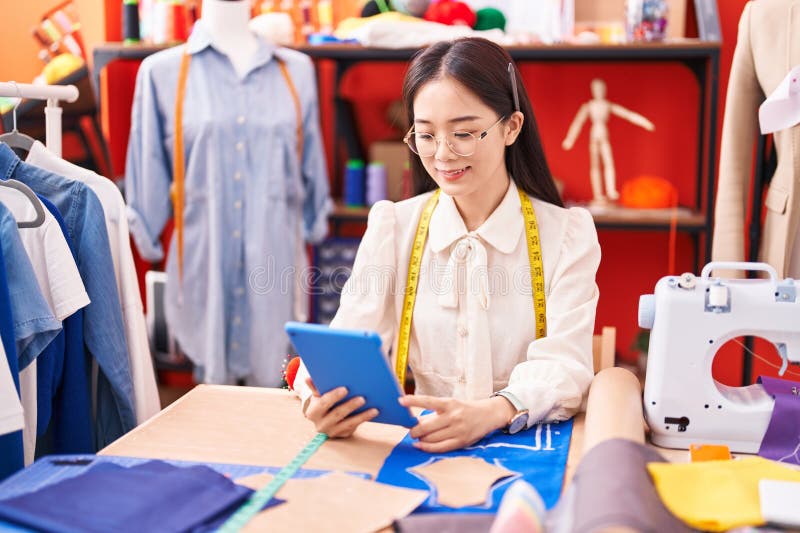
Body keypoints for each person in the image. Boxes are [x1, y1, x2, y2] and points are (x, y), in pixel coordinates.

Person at [296, 37, 600, 453]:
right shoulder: (394, 226)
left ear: (511, 127)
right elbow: (347, 342)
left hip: (524, 445)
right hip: (426, 445)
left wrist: (495, 411)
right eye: (425, 135)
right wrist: (320, 398)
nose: (442, 154)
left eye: (463, 132)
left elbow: (567, 364)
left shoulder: (567, 236)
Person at [561, 78, 655, 206]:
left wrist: (645, 122)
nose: (599, 91)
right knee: (595, 165)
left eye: (601, 89)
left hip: (603, 134)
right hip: (594, 135)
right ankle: (598, 193)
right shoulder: (588, 106)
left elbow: (627, 114)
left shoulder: (607, 105)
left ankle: (610, 190)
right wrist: (570, 139)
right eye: (596, 89)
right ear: (593, 90)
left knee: (608, 161)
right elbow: (578, 123)